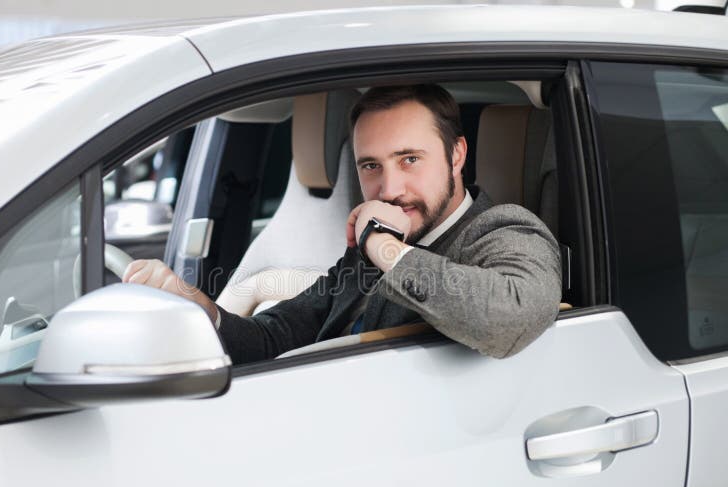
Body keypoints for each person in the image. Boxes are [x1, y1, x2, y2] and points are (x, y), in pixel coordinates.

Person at [123, 84, 561, 363]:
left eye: (409, 159)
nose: (389, 189)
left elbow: (511, 317)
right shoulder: (372, 249)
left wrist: (385, 250)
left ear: (457, 155)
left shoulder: (504, 230)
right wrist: (199, 309)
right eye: (371, 166)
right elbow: (277, 336)